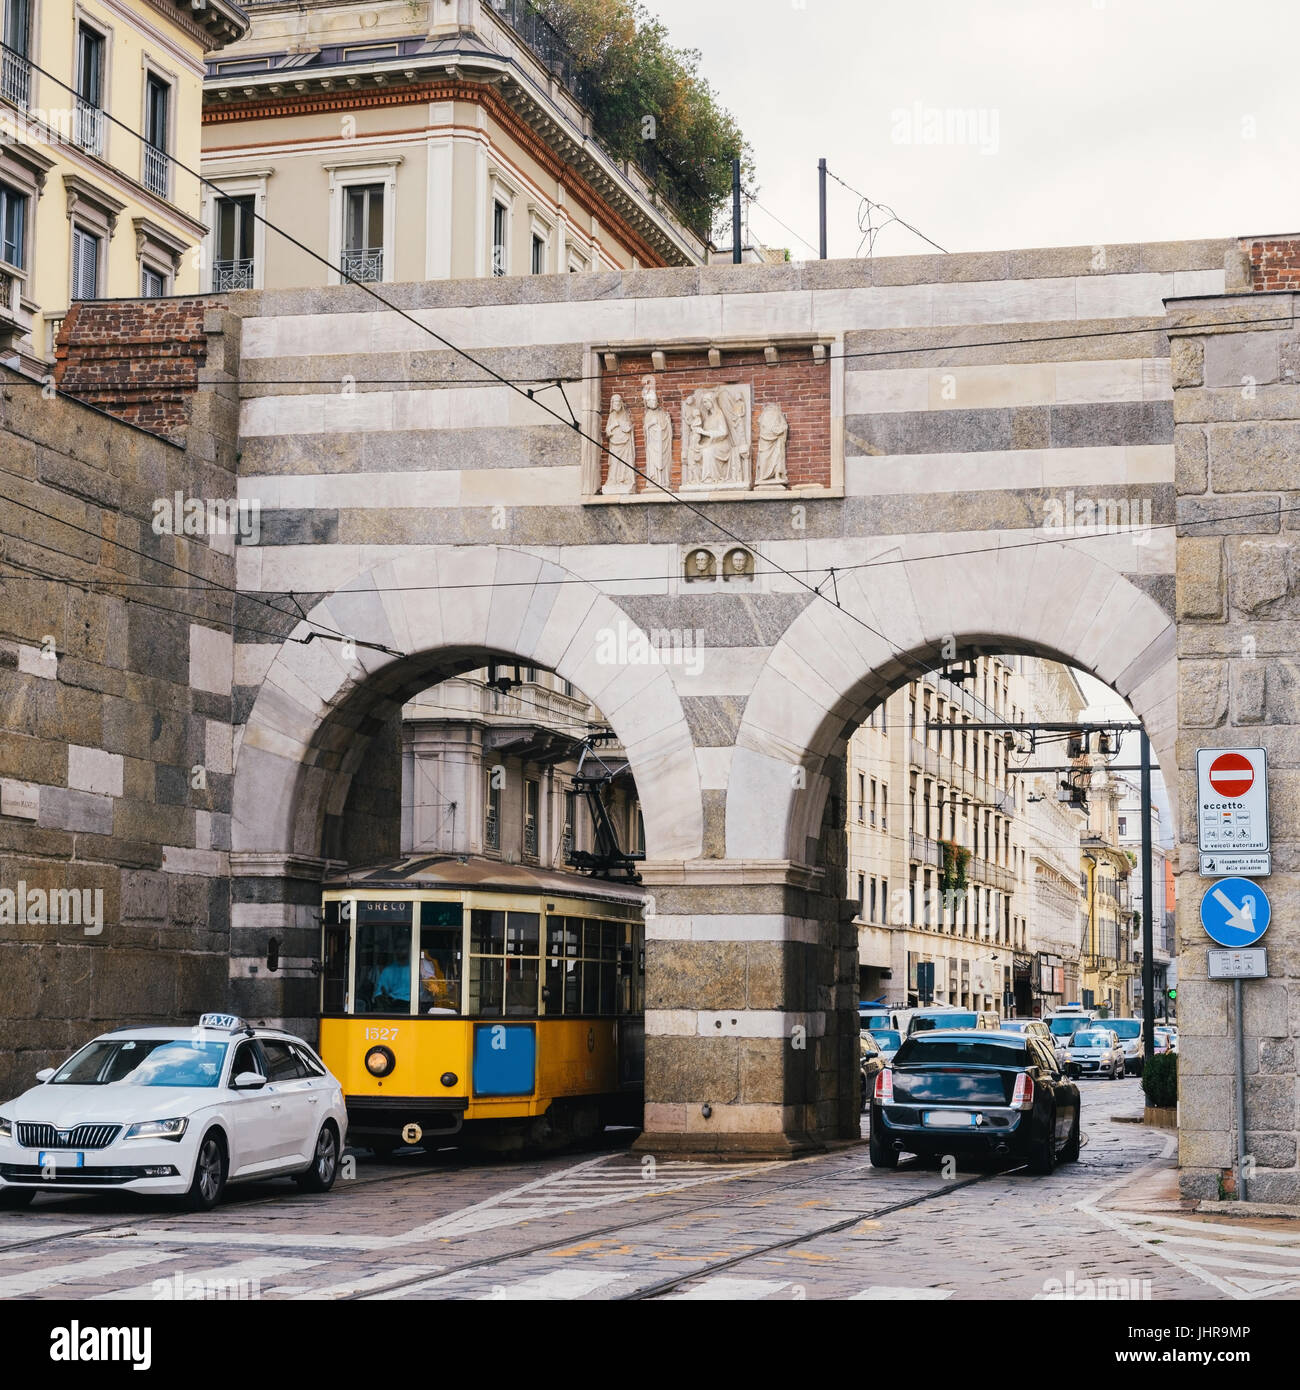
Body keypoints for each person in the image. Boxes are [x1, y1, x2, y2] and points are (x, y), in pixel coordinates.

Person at [373, 939, 411, 1008]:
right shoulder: (388, 970)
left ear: (409, 949)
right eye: (397, 947)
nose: (399, 950)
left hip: (413, 1005)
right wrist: (383, 1000)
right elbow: (379, 993)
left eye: (403, 947)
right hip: (394, 1006)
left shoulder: (417, 969)